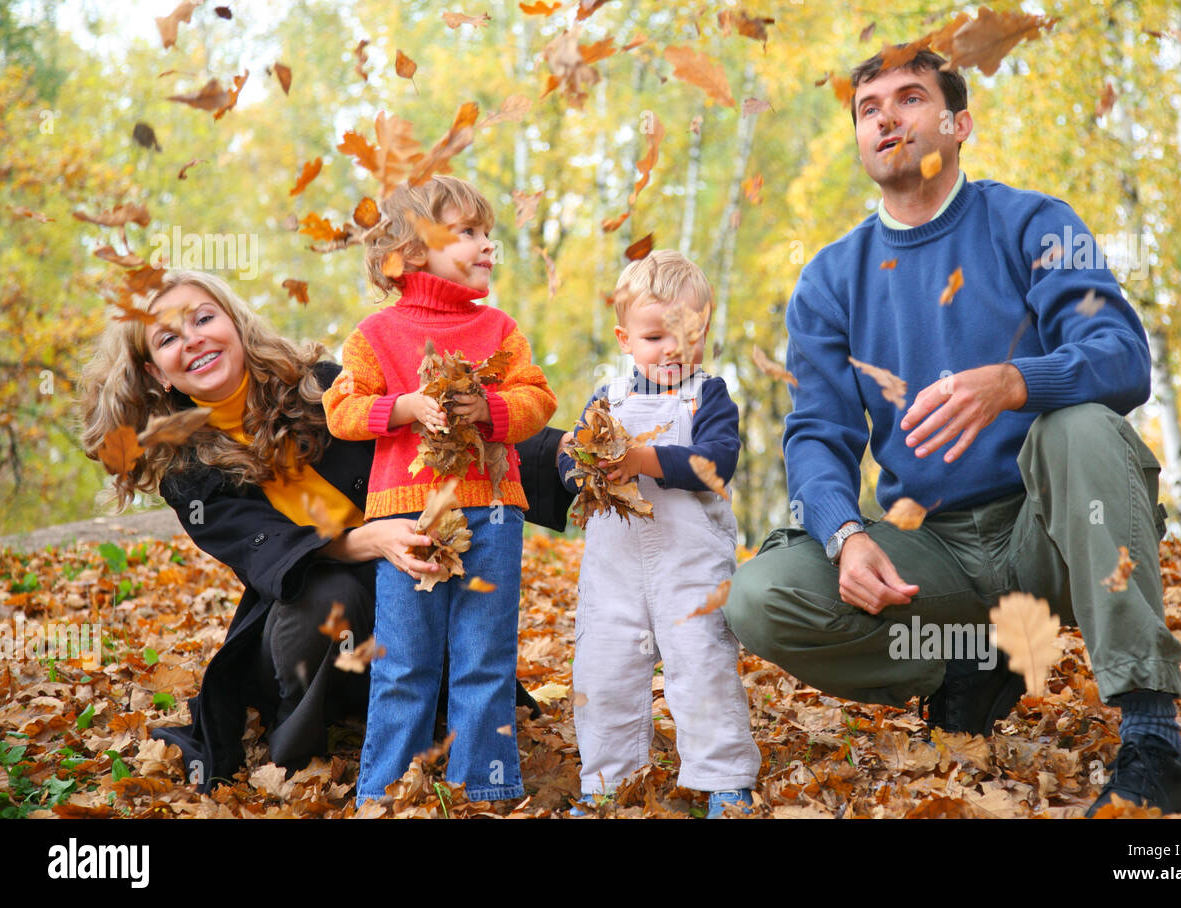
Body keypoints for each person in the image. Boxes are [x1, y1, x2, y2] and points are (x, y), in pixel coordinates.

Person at [722, 48, 1181, 817]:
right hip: (930, 549)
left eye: (910, 98)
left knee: (1078, 426)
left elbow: (1123, 356)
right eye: (868, 107)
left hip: (1050, 528)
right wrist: (844, 534)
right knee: (760, 594)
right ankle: (973, 659)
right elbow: (816, 434)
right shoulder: (830, 279)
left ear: (958, 122)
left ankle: (1150, 730)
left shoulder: (1034, 223)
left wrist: (1017, 381)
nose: (886, 117)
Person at [78, 268, 572, 793]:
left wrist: (561, 449)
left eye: (204, 318)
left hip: (417, 571)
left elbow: (430, 421)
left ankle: (441, 711)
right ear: (158, 373)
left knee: (444, 591)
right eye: (169, 338)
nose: (193, 338)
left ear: (234, 324)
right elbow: (274, 554)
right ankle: (312, 730)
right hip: (311, 609)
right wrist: (377, 538)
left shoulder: (319, 384)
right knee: (327, 596)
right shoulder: (187, 470)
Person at [324, 177, 557, 806]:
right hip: (410, 523)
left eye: (489, 233)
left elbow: (538, 398)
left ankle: (484, 785)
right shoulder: (376, 335)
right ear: (413, 251)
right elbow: (340, 409)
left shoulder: (500, 330)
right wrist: (399, 408)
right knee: (404, 662)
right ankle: (386, 790)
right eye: (468, 233)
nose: (487, 245)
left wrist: (489, 408)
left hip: (494, 512)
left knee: (485, 656)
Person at [557, 250, 761, 818]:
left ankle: (725, 780)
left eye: (686, 333)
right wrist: (583, 471)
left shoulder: (709, 395)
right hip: (614, 572)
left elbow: (717, 462)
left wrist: (644, 457)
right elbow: (570, 459)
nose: (671, 348)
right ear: (625, 339)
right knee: (603, 673)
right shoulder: (607, 402)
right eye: (654, 336)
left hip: (690, 566)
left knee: (702, 667)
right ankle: (606, 783)